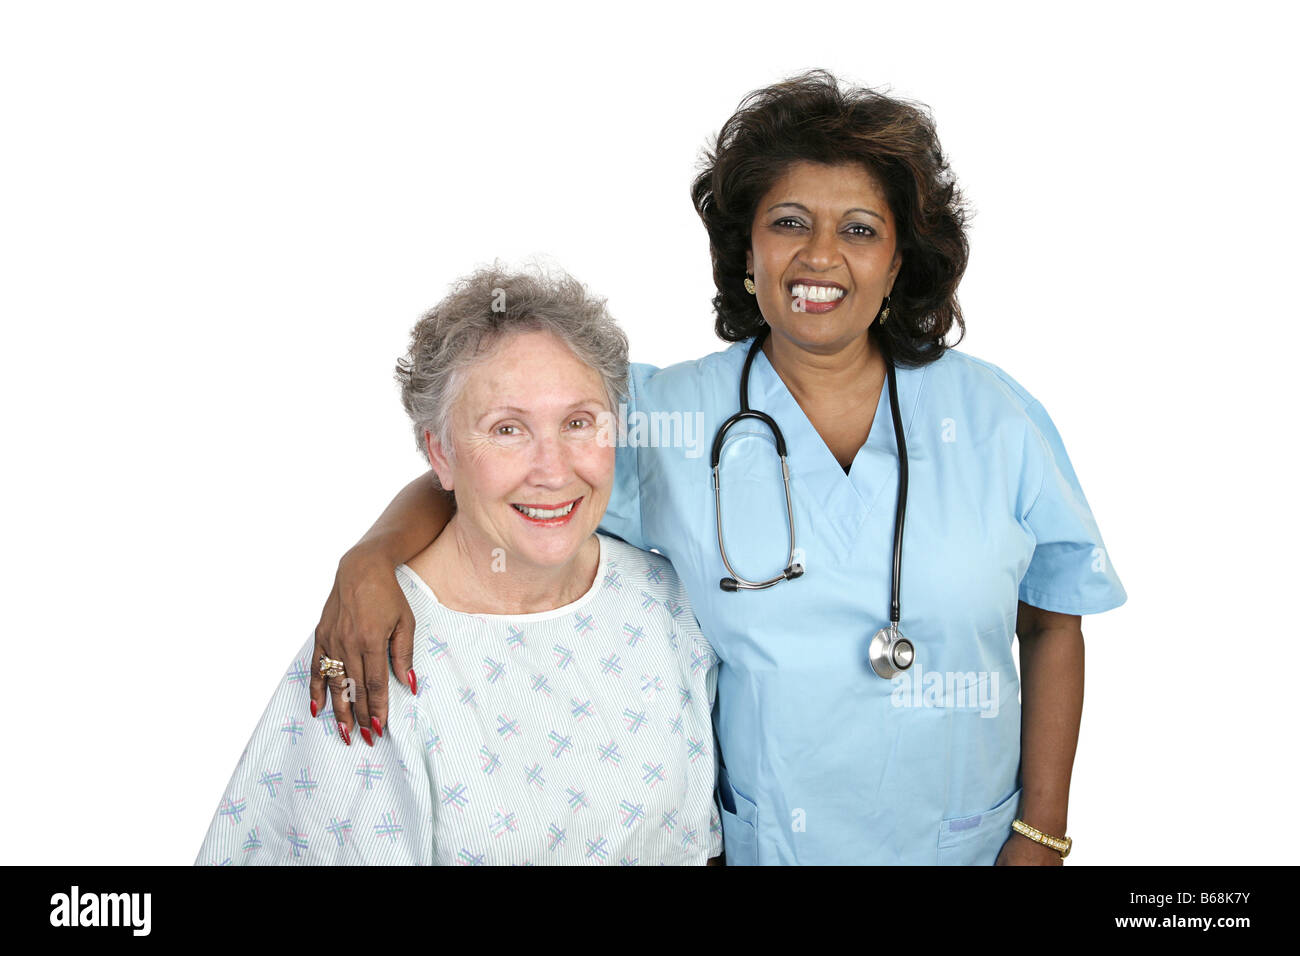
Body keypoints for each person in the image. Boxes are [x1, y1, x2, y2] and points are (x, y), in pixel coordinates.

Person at [313, 71, 1127, 865]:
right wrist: (371, 558)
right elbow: (503, 468)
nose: (820, 257)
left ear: (899, 263)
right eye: (789, 223)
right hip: (771, 844)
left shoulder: (993, 417)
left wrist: (1043, 832)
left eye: (859, 229)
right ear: (747, 251)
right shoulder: (670, 416)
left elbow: (1053, 619)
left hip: (973, 845)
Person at [197, 266, 723, 865]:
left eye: (578, 423)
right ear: (440, 454)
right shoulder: (372, 644)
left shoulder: (670, 605)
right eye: (507, 429)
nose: (552, 470)